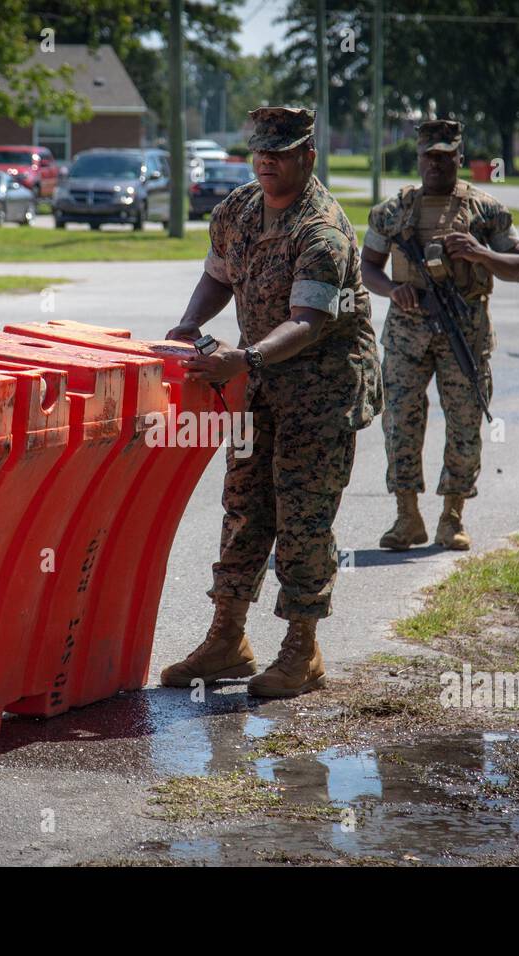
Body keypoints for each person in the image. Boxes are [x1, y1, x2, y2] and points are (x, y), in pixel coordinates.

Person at [160, 106, 382, 698]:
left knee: (303, 517)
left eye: (279, 153)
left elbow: (307, 323)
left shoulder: (322, 232)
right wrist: (188, 323)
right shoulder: (237, 209)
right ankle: (228, 640)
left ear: (308, 156)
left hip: (321, 390)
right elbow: (217, 276)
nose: (265, 160)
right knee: (243, 504)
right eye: (259, 150)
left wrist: (246, 358)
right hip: (257, 385)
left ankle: (301, 650)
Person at [361, 119, 519, 551]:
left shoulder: (486, 210)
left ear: (458, 156)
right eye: (428, 156)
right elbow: (367, 268)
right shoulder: (391, 211)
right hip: (406, 333)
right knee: (399, 420)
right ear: (418, 158)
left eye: (445, 156)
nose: (436, 164)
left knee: (465, 423)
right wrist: (392, 291)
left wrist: (480, 252)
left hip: (464, 333)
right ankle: (407, 517)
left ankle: (452, 516)